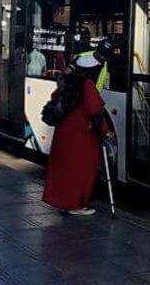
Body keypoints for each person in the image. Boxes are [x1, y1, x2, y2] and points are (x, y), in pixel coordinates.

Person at [42, 55, 108, 216]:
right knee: (81, 170)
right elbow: (95, 110)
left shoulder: (66, 83)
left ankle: (63, 202)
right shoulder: (87, 85)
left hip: (63, 134)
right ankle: (76, 205)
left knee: (64, 169)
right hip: (81, 136)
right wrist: (105, 131)